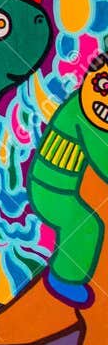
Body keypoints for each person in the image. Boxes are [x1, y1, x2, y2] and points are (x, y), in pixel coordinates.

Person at [28, 52, 108, 308]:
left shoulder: (84, 108)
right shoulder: (82, 115)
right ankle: (64, 278)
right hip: (49, 188)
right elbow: (102, 156)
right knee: (86, 225)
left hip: (62, 187)